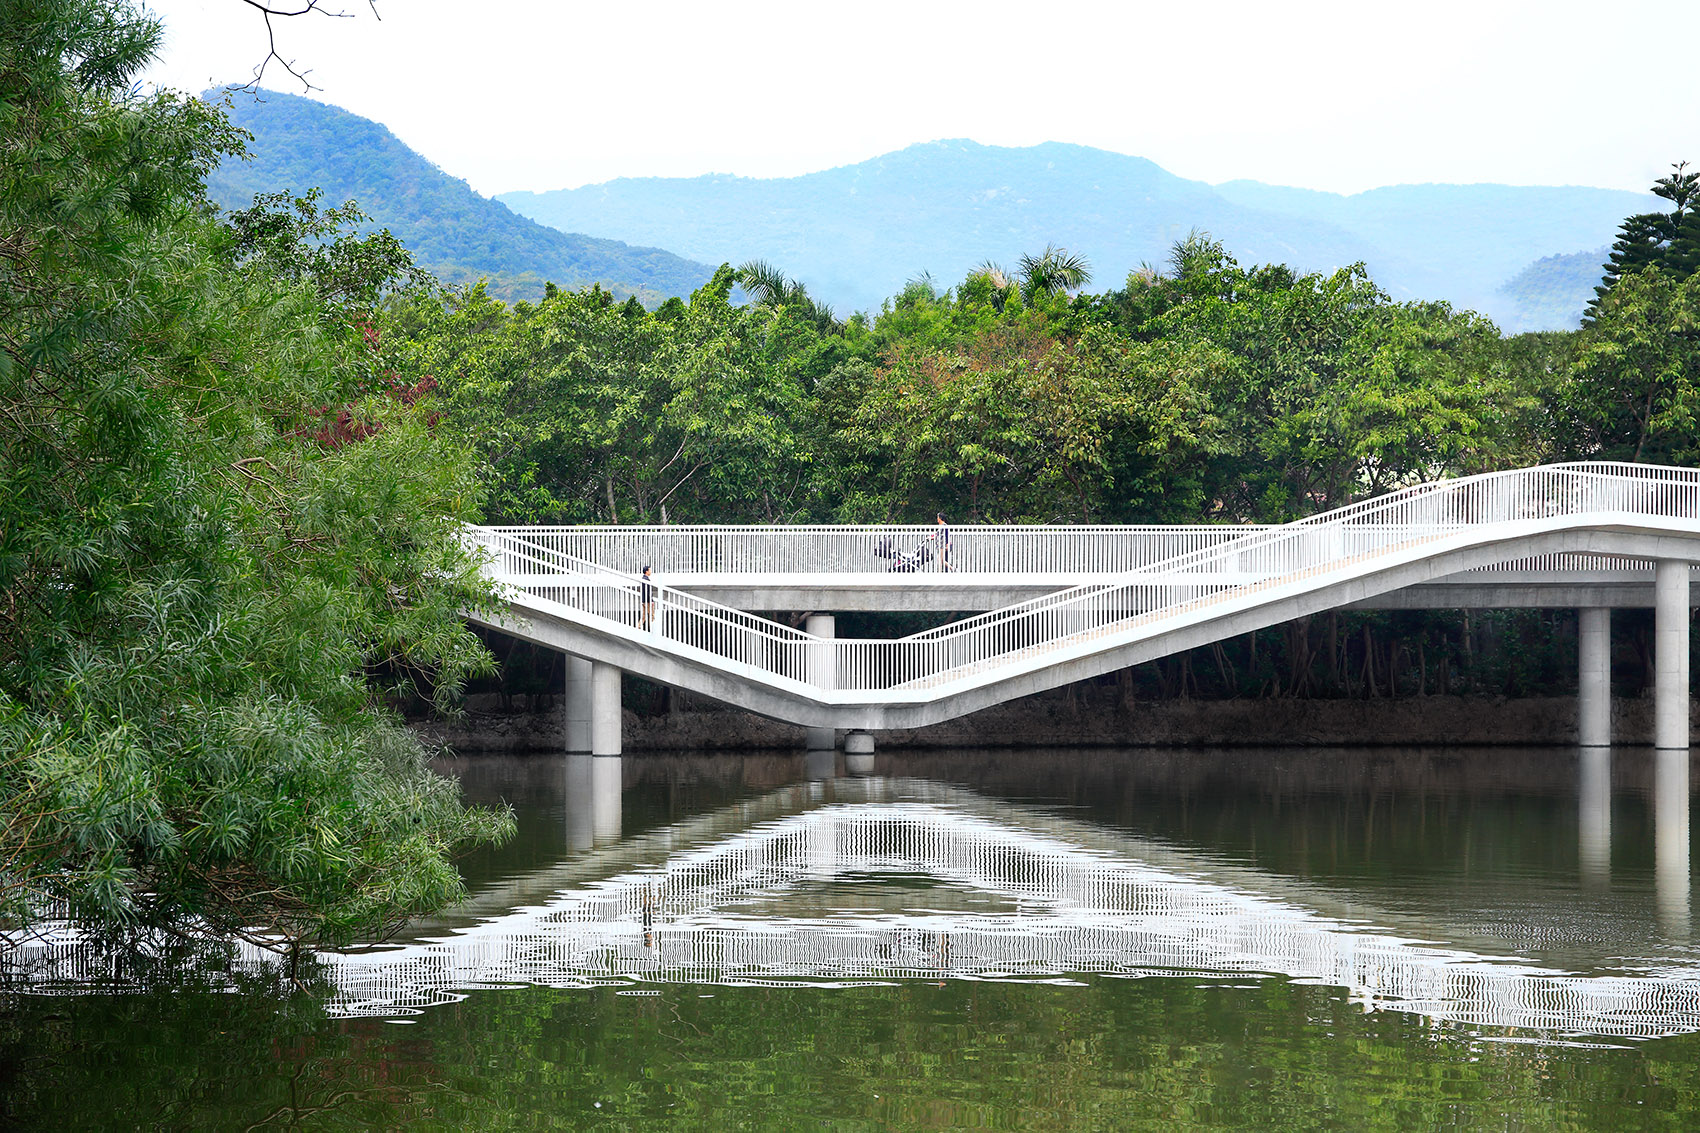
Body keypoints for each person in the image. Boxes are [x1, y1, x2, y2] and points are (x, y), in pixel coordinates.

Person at [639, 565, 656, 630]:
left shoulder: (643, 579)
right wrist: (651, 600)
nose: (651, 571)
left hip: (644, 600)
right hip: (647, 601)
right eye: (650, 570)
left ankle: (639, 625)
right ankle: (651, 628)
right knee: (652, 614)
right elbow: (647, 591)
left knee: (644, 615)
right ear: (646, 571)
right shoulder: (646, 580)